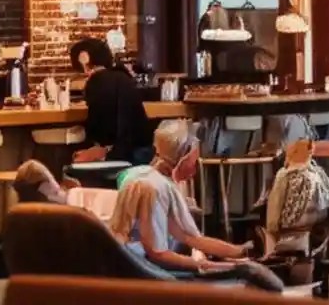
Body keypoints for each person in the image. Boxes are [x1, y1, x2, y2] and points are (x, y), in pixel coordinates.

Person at [109, 119, 251, 273]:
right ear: (183, 156)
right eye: (193, 161)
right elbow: (157, 254)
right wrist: (218, 267)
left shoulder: (139, 174)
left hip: (129, 262)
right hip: (141, 271)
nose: (195, 169)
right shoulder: (154, 188)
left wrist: (240, 251)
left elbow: (190, 238)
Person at [70, 38, 154, 167]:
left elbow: (97, 126)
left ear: (84, 58)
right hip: (143, 152)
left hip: (120, 155)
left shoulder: (96, 82)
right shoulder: (123, 76)